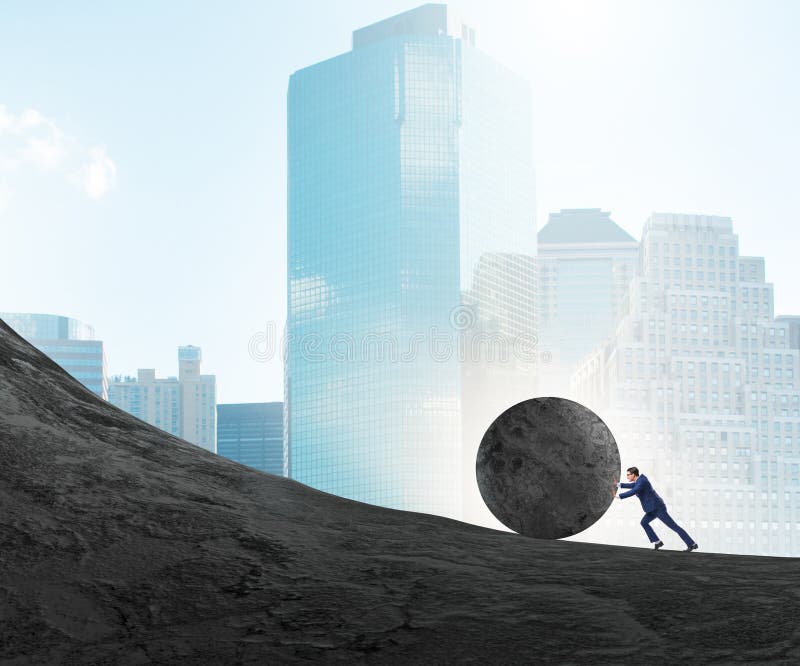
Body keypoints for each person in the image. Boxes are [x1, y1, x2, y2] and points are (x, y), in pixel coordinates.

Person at [613, 467, 698, 552]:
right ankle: (657, 542)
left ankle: (692, 544)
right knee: (644, 523)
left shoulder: (642, 481)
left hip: (658, 508)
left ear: (634, 474)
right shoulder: (639, 481)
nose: (627, 476)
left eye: (628, 475)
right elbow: (631, 486)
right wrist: (618, 485)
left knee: (674, 527)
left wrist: (619, 496)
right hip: (651, 509)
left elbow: (634, 490)